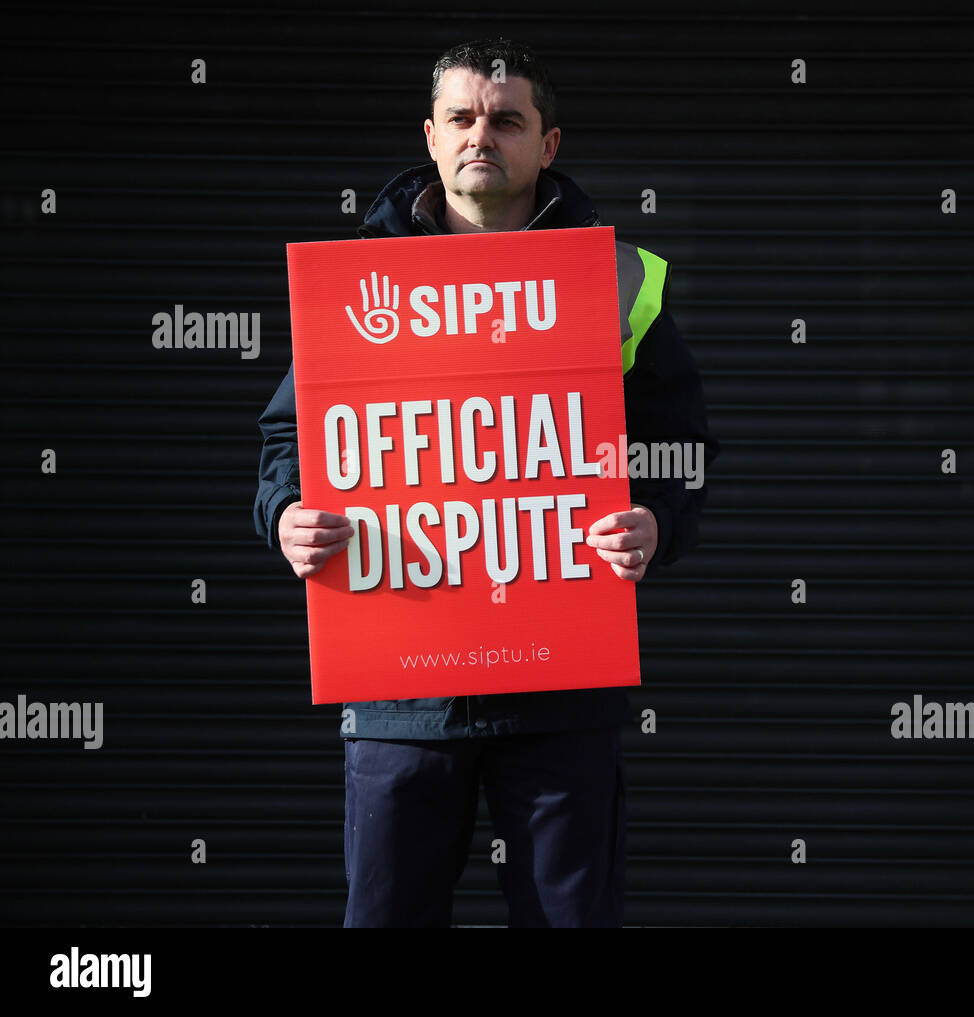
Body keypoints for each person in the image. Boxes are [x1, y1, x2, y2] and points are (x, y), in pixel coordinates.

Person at [253, 38, 717, 927]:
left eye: (507, 119)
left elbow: (682, 446)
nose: (482, 136)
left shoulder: (616, 281)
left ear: (547, 144)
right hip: (400, 689)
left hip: (560, 686)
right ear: (431, 136)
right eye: (462, 117)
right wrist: (286, 519)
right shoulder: (359, 282)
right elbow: (287, 440)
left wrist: (656, 518)